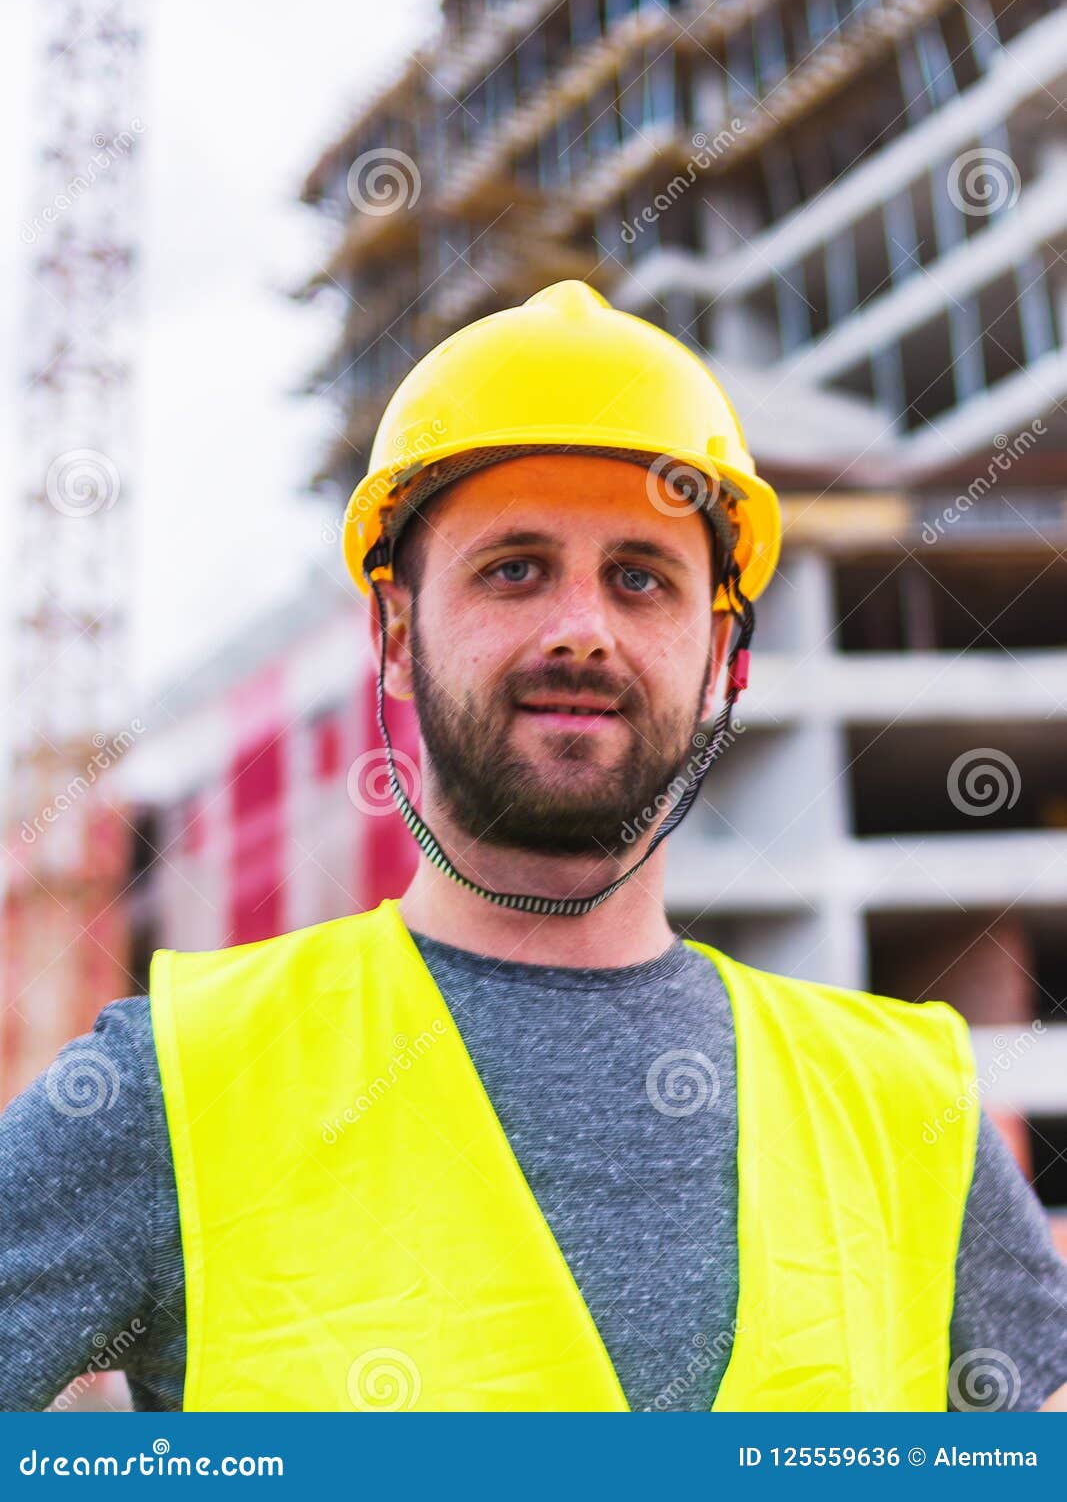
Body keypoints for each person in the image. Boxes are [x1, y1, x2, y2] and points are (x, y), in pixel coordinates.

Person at [2, 280, 1066, 1413]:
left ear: (722, 657)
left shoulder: (911, 1112)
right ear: (396, 634)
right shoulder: (186, 1082)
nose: (580, 631)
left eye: (639, 578)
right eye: (513, 567)